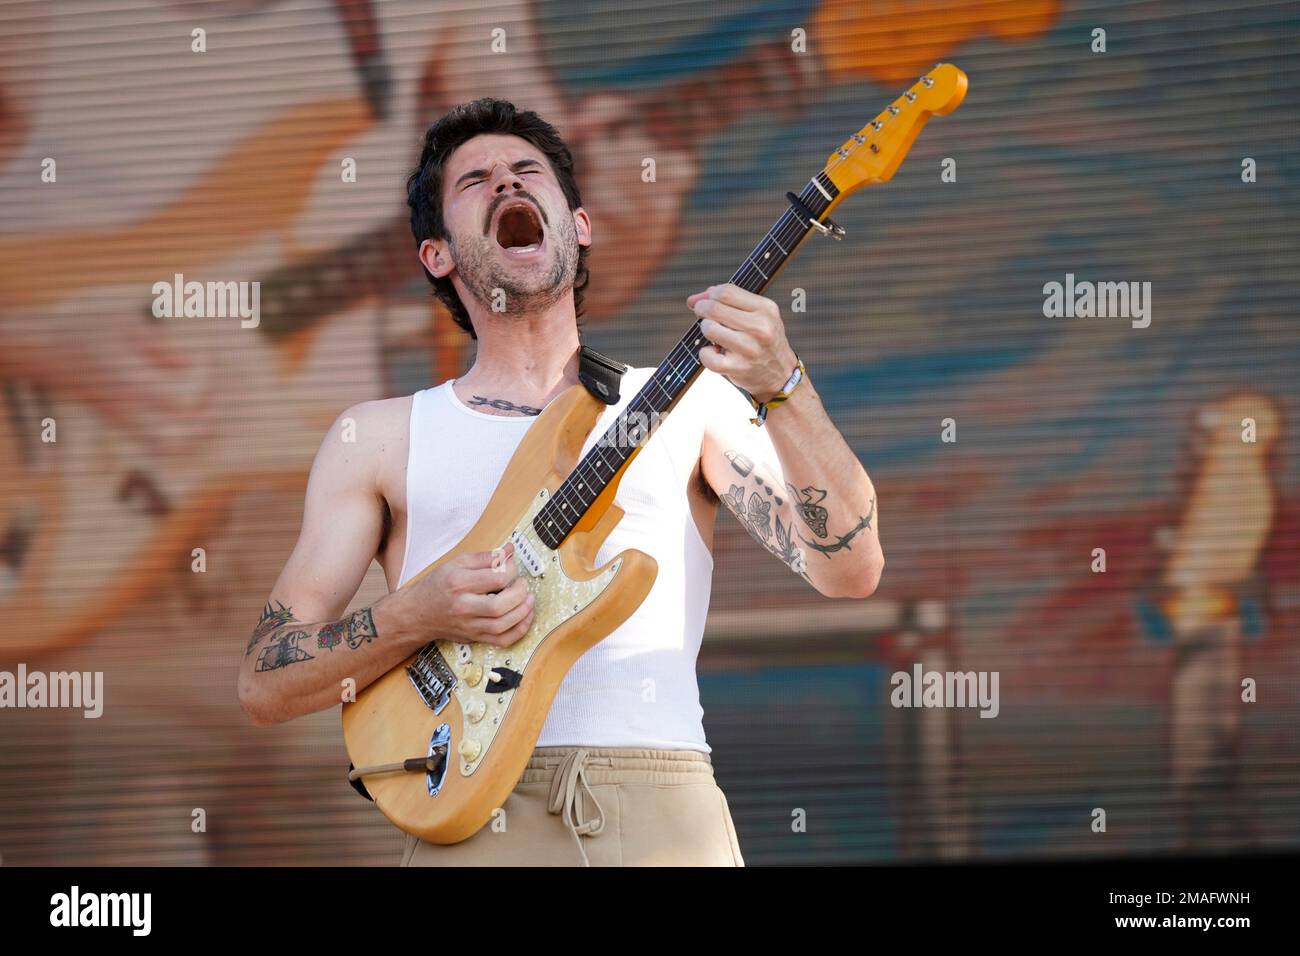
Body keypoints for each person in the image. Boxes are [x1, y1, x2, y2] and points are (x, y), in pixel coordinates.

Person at [238, 97, 885, 866]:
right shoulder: (375, 437)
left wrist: (785, 386)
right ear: (437, 254)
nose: (508, 185)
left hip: (661, 802)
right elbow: (265, 681)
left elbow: (851, 568)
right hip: (469, 810)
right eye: (475, 181)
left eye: (528, 171)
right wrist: (416, 613)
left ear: (578, 225)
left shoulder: (689, 403)